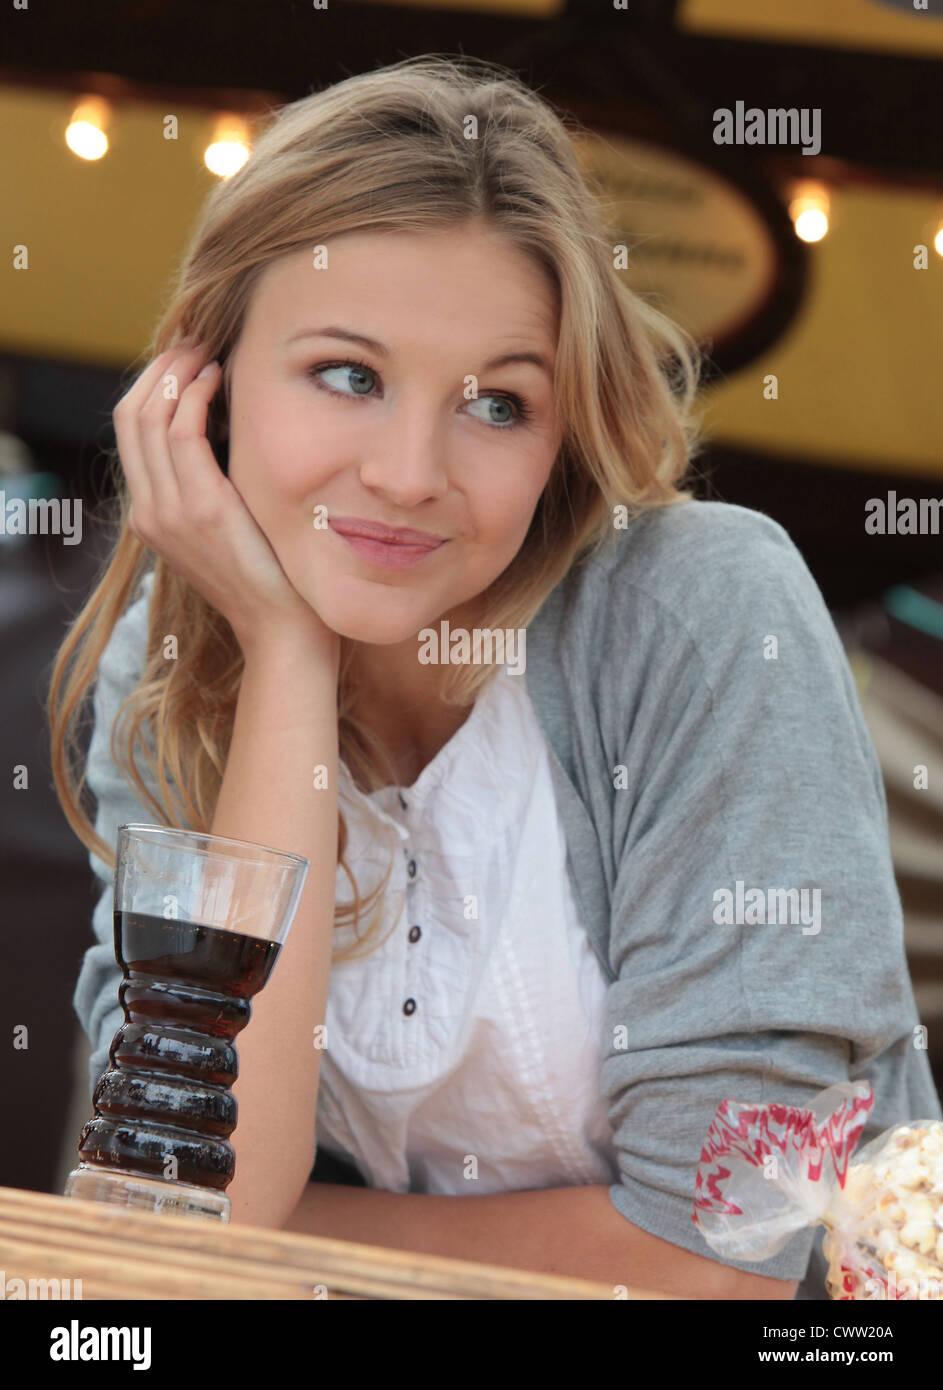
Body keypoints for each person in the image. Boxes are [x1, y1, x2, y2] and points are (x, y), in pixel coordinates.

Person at [47, 53, 940, 1300]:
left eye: (498, 404)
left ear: (565, 428)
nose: (410, 474)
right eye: (348, 375)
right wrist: (287, 659)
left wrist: (269, 1246)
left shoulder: (700, 611)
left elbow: (722, 1262)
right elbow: (202, 1192)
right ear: (204, 384)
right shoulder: (179, 655)